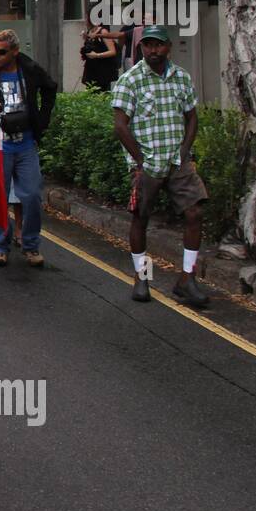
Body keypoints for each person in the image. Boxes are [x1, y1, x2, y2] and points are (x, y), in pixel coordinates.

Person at [111, 24, 210, 308]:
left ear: (168, 46)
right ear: (141, 48)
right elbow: (120, 125)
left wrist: (186, 149)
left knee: (194, 212)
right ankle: (142, 277)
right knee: (141, 218)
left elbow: (191, 116)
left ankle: (186, 279)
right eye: (147, 45)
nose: (153, 51)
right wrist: (140, 160)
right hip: (148, 164)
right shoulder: (130, 80)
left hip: (178, 161)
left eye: (158, 45)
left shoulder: (181, 78)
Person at [0, 29, 57, 268]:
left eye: (1, 52)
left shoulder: (29, 69)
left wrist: (43, 119)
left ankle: (31, 245)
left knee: (32, 196)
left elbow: (50, 87)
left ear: (15, 52)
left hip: (26, 143)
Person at [79, 15, 119, 91]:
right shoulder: (89, 31)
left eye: (87, 18)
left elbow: (112, 51)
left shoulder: (103, 31)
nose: (85, 20)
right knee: (90, 92)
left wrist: (97, 55)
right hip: (91, 68)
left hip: (102, 69)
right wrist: (86, 38)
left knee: (101, 92)